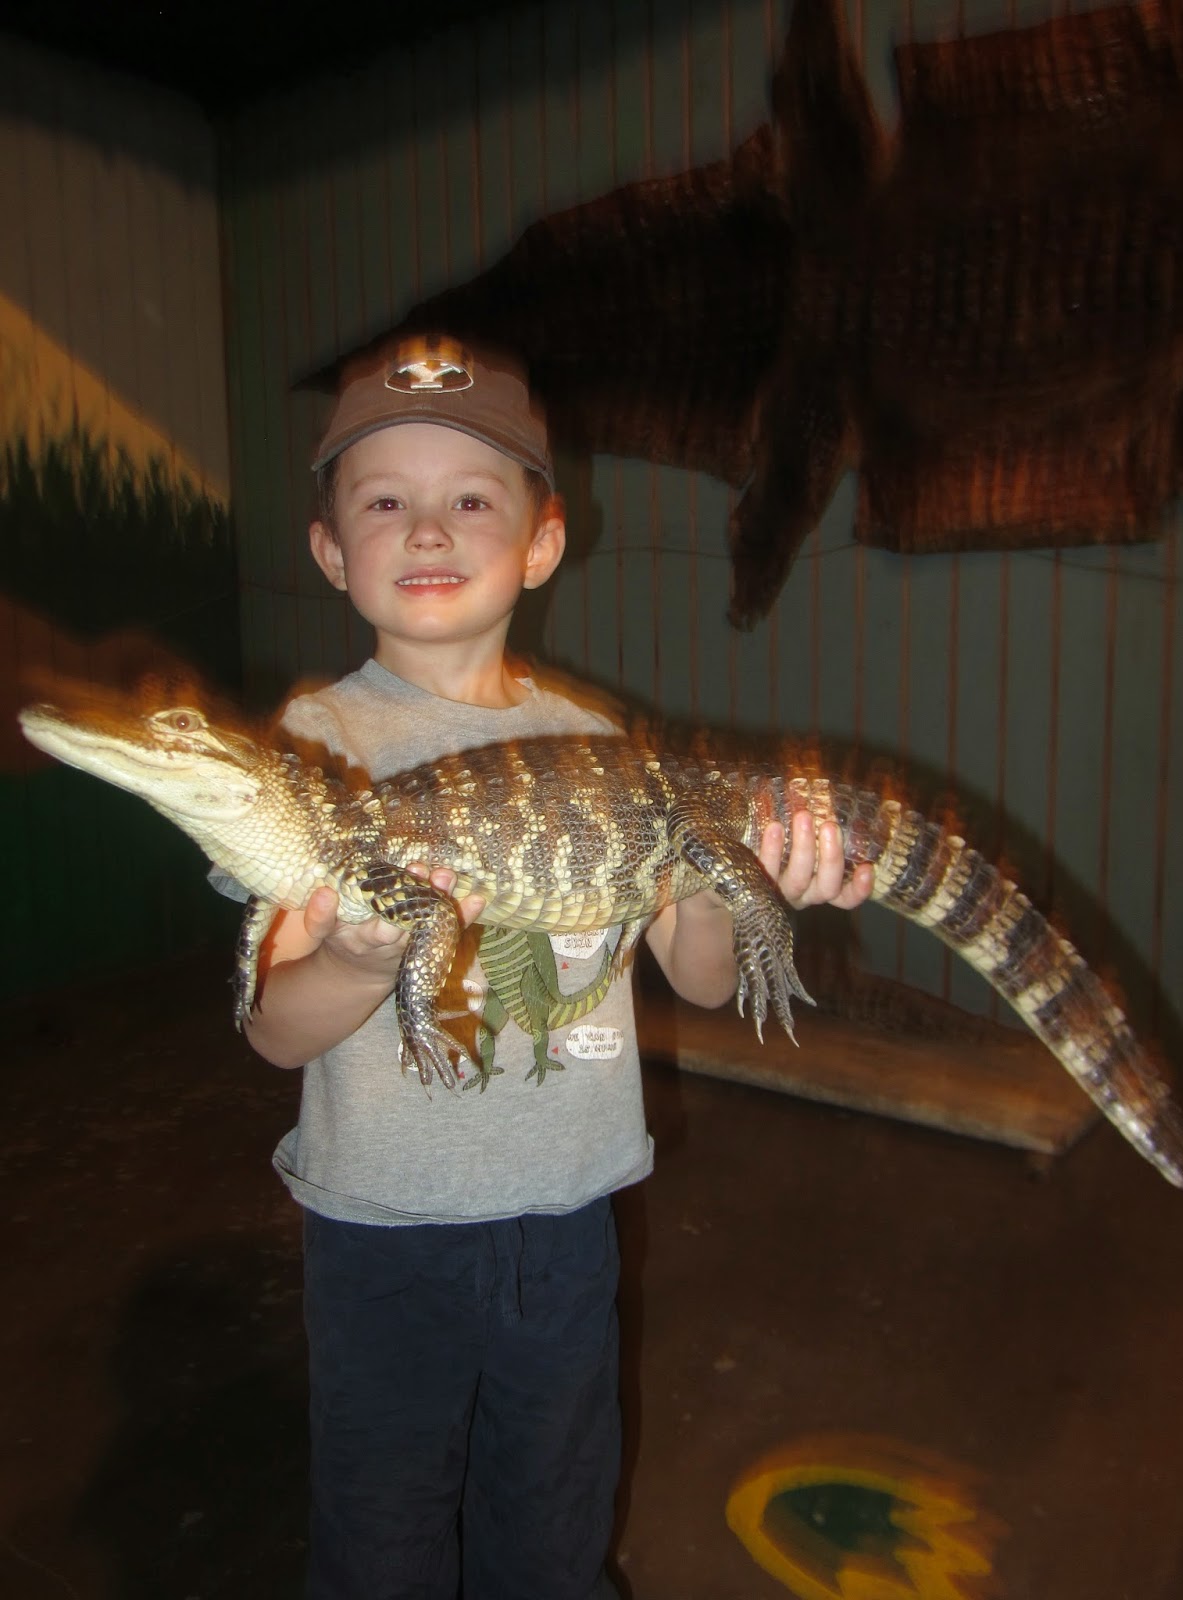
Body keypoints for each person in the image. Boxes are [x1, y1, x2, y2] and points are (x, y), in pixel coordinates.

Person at [241, 333, 874, 1600]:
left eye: (472, 499)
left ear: (542, 542)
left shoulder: (601, 742)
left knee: (551, 1543)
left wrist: (749, 891)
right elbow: (274, 1028)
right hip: (381, 1239)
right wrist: (361, 958)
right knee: (379, 1551)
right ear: (329, 551)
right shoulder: (312, 753)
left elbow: (696, 977)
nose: (429, 529)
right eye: (384, 501)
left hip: (567, 1226)